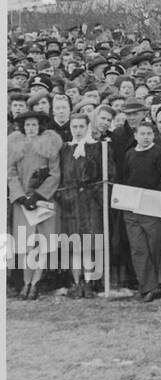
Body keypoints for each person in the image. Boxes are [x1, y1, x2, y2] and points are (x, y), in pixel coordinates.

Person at [9, 110, 64, 300]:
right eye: (27, 125)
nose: (30, 128)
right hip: (22, 202)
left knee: (41, 244)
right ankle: (25, 282)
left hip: (43, 201)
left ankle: (35, 283)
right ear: (22, 128)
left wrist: (39, 195)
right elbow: (11, 173)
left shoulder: (49, 145)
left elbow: (55, 173)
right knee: (26, 244)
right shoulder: (15, 147)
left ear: (39, 126)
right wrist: (21, 196)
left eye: (34, 125)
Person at [57, 112, 109, 298]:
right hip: (70, 202)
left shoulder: (98, 148)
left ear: (87, 127)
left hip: (90, 202)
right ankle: (76, 281)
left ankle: (89, 281)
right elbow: (60, 175)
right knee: (73, 244)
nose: (77, 131)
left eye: (81, 127)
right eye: (74, 127)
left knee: (88, 242)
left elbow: (106, 177)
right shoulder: (65, 149)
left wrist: (99, 199)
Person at [119, 118, 161, 302]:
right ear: (135, 135)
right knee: (138, 248)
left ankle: (153, 285)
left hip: (151, 207)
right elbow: (125, 178)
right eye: (142, 134)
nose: (146, 137)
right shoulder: (130, 154)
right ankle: (147, 286)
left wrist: (153, 199)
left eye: (149, 134)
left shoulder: (159, 153)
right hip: (132, 208)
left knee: (152, 247)